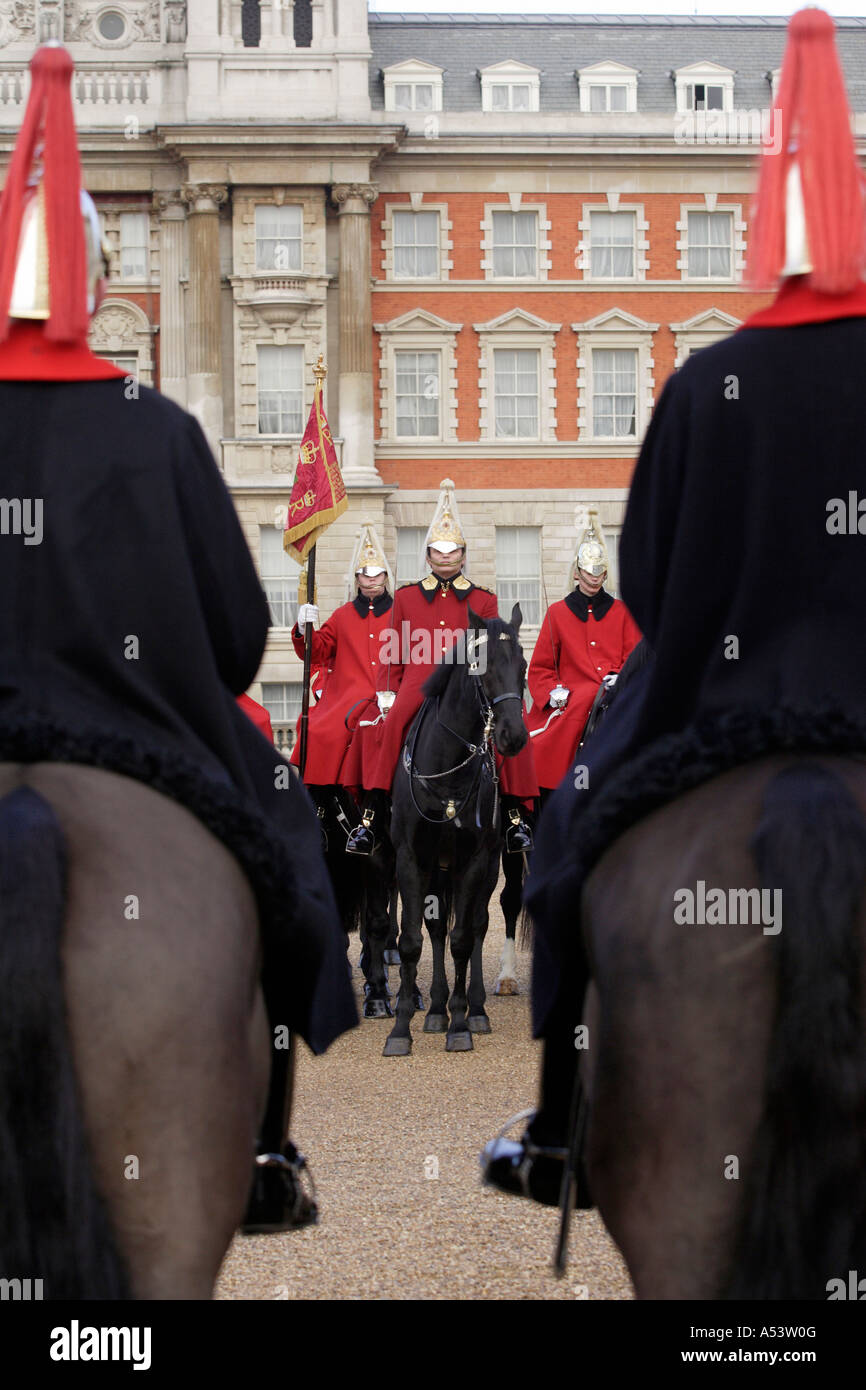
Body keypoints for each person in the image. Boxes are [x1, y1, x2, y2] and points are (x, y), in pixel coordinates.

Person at [484, 5, 866, 1205]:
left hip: (721, 694)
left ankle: (557, 1126)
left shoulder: (709, 380)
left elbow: (646, 577)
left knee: (569, 847)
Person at [0, 44, 356, 1231]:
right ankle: (264, 1151)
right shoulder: (152, 428)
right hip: (132, 749)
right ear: (100, 283)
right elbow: (235, 626)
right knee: (278, 868)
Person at [345, 479, 537, 855]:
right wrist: (388, 691)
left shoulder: (483, 600)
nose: (446, 558)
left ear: (463, 556)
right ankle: (371, 812)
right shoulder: (406, 597)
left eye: (453, 552)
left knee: (511, 727)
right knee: (393, 721)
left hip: (469, 687)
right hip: (418, 684)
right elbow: (394, 654)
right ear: (428, 556)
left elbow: (488, 653)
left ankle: (514, 814)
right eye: (438, 552)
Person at [526, 511, 641, 798]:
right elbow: (540, 669)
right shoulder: (557, 613)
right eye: (589, 572)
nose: (594, 578)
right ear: (577, 572)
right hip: (572, 700)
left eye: (599, 572)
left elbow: (635, 657)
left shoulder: (622, 613)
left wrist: (622, 678)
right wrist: (553, 692)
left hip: (616, 692)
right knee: (532, 750)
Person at [290, 521, 395, 810]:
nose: (372, 580)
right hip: (349, 696)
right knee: (322, 731)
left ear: (385, 576)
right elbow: (318, 651)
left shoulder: (402, 614)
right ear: (358, 578)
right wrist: (304, 628)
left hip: (391, 697)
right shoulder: (343, 615)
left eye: (377, 574)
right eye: (366, 575)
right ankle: (320, 804)